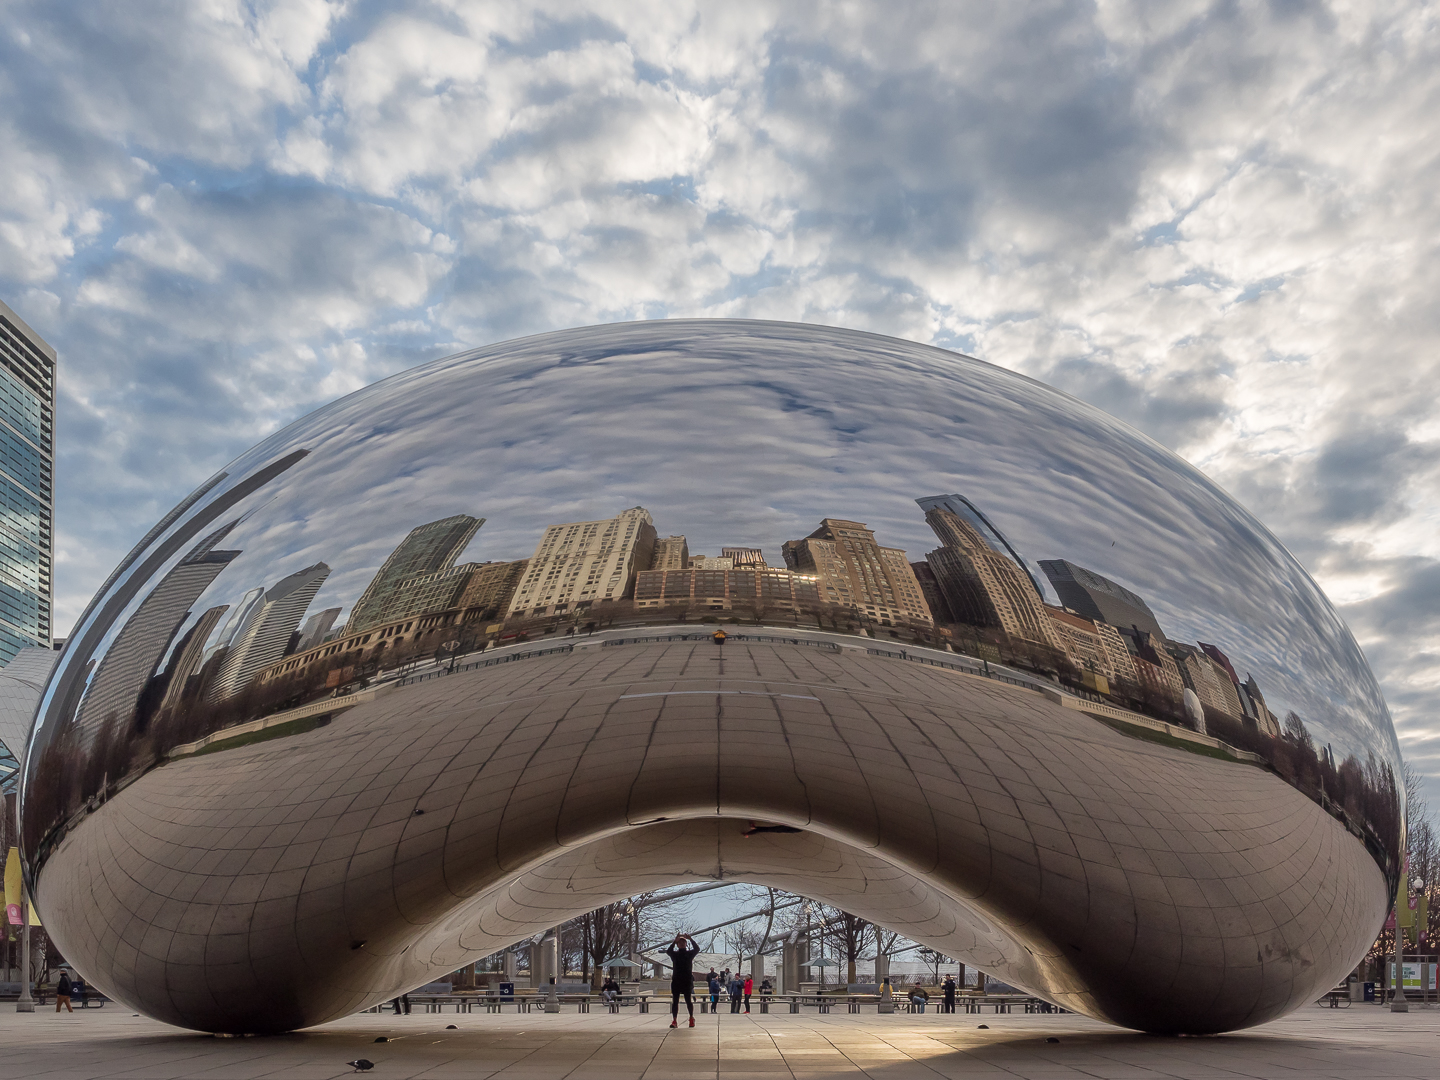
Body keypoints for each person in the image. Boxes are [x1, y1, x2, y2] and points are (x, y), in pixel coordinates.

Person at [665, 933, 700, 1028]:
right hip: (677, 980)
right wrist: (674, 942)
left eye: (683, 942)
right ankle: (674, 1020)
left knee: (688, 1000)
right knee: (675, 1001)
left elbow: (697, 949)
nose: (682, 943)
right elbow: (668, 951)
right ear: (677, 944)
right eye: (680, 942)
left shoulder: (689, 954)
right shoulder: (675, 955)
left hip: (687, 980)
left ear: (686, 944)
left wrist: (691, 939)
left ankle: (691, 1018)